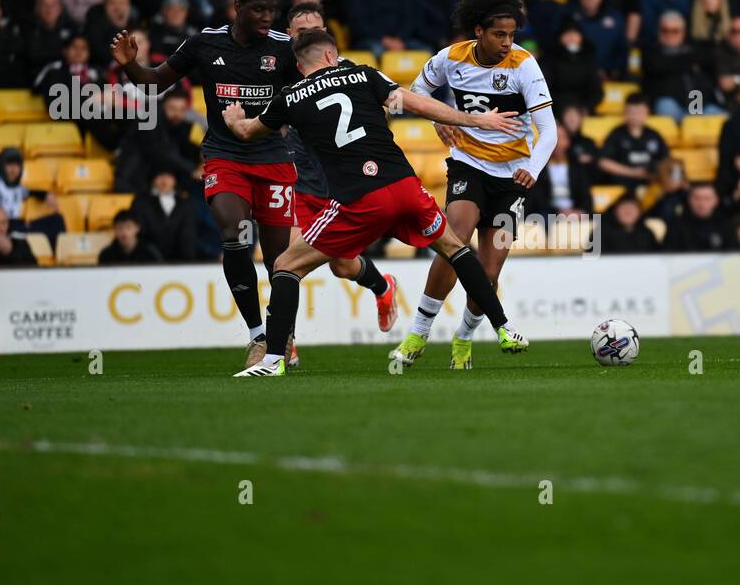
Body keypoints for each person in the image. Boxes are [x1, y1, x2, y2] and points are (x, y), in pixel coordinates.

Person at [222, 28, 529, 377]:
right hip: (405, 187)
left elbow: (249, 132)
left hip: (359, 201)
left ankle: (274, 360)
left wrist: (234, 119)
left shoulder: (291, 99)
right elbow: (413, 103)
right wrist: (475, 119)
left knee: (286, 265)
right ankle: (503, 326)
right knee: (456, 249)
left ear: (300, 64)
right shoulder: (363, 74)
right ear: (329, 56)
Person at [112, 0, 303, 369]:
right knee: (233, 235)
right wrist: (131, 64)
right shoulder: (205, 42)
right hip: (225, 156)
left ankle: (283, 337)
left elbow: (316, 90)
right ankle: (257, 336)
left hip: (273, 160)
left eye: (272, 9)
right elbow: (154, 83)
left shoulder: (285, 49)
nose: (268, 17)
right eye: (258, 9)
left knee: (279, 260)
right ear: (236, 7)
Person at [393, 0, 557, 372]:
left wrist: (531, 170)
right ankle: (418, 333)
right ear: (479, 32)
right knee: (454, 241)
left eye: (512, 35)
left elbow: (548, 129)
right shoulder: (451, 59)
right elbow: (416, 92)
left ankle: (463, 340)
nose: (506, 43)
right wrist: (437, 119)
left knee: (489, 271)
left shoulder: (524, 64)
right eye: (499, 34)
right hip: (468, 164)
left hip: (513, 176)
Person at [282, 1, 401, 330]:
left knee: (343, 267)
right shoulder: (280, 71)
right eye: (302, 31)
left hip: (340, 186)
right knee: (287, 262)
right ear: (289, 35)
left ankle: (383, 286)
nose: (309, 35)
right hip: (300, 183)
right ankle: (284, 344)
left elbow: (393, 100)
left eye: (316, 30)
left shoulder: (351, 69)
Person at [0, 147, 66, 244]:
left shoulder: (14, 185)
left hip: (18, 225)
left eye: (17, 165)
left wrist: (45, 195)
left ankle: (59, 253)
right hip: (3, 229)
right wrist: (21, 224)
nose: (14, 170)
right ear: (1, 166)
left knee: (56, 220)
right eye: (9, 165)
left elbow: (27, 192)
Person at [598, 94, 668, 190]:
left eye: (639, 112)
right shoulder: (616, 134)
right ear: (624, 113)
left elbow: (666, 161)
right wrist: (633, 172)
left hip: (650, 183)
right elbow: (604, 162)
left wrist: (652, 173)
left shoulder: (654, 135)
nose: (635, 116)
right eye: (631, 112)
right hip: (624, 182)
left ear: (647, 113)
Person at [99, 209, 164, 264]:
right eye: (120, 228)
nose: (124, 232)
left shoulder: (150, 253)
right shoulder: (106, 255)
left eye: (128, 227)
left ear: (137, 228)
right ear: (114, 230)